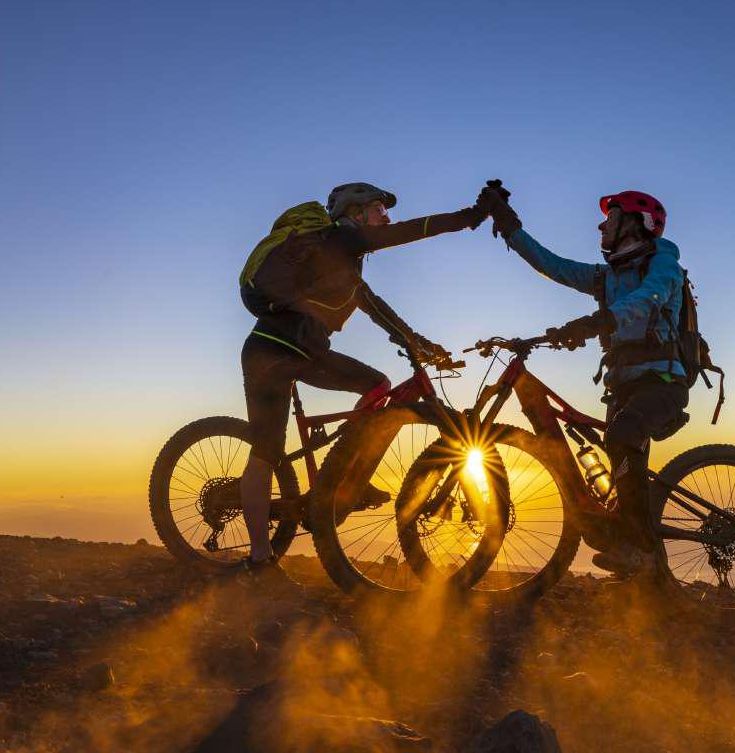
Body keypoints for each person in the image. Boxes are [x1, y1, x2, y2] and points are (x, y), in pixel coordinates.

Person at [237, 182, 489, 585]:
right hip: (273, 352)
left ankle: (341, 480)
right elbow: (408, 231)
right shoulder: (338, 239)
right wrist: (468, 218)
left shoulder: (346, 270)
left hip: (289, 353)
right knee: (267, 452)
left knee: (375, 385)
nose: (384, 218)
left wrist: (422, 346)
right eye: (377, 210)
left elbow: (383, 315)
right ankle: (265, 550)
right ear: (355, 214)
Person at [483, 186, 690, 578]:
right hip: (623, 385)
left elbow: (648, 299)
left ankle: (642, 551)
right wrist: (510, 228)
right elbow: (553, 265)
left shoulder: (663, 264)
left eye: (610, 219)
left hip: (663, 382)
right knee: (618, 468)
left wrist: (602, 320)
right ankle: (648, 574)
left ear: (636, 224)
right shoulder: (607, 277)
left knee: (622, 438)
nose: (601, 225)